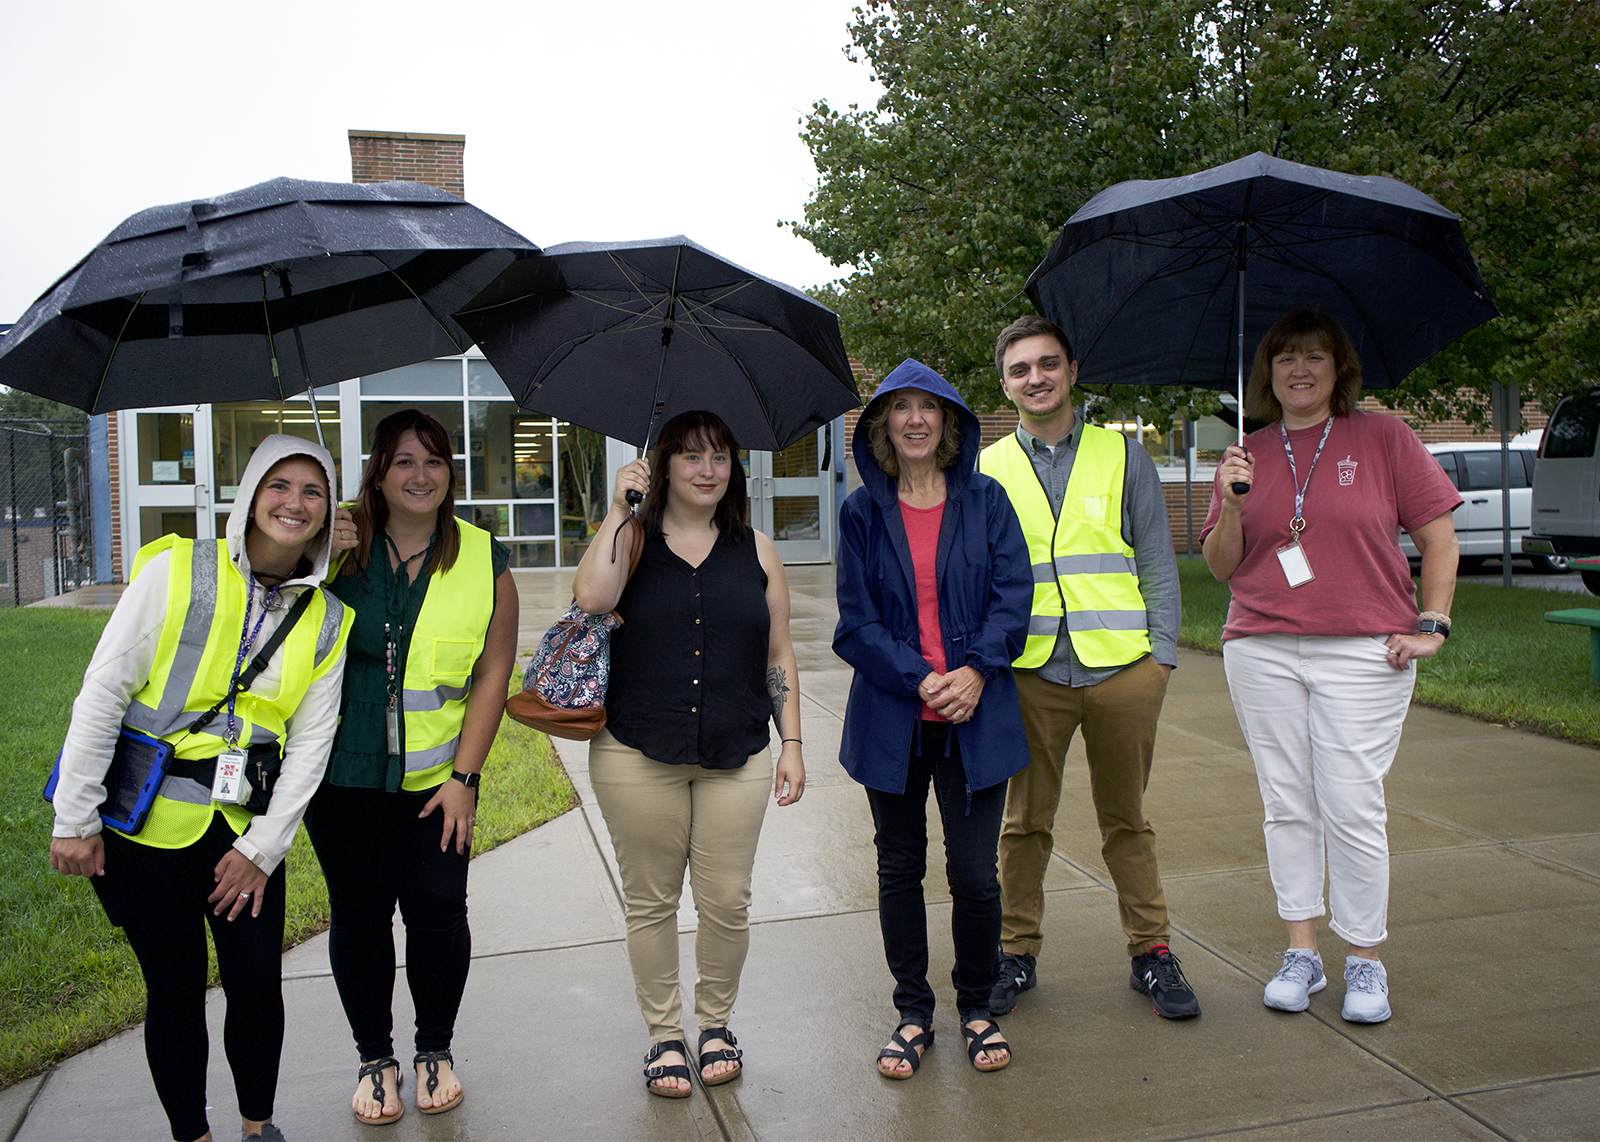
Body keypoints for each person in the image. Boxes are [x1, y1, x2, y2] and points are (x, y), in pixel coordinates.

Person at [49, 435, 351, 1142]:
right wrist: (76, 819)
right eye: (279, 485)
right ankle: (195, 1134)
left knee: (255, 984)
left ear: (327, 511)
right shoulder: (178, 571)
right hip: (148, 831)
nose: (294, 502)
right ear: (249, 496)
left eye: (312, 491)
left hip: (244, 833)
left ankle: (257, 1128)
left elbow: (310, 748)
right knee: (175, 989)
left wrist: (265, 849)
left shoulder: (330, 620)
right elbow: (103, 693)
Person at [1202, 308, 1460, 1023]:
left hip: (1363, 650)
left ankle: (1366, 960)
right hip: (1261, 646)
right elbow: (1222, 567)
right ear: (1268, 374)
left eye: (1315, 356)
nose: (1300, 369)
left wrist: (1432, 625)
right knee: (1287, 801)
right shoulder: (1246, 453)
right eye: (1285, 358)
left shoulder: (1383, 437)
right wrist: (1228, 503)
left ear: (1338, 368)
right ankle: (1302, 953)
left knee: (1351, 802)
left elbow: (1440, 540)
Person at [572, 410, 805, 1098]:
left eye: (721, 457)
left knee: (728, 901)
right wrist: (620, 506)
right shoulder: (631, 539)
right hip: (637, 752)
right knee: (651, 903)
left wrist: (792, 741)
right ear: (664, 464)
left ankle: (715, 1025)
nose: (708, 469)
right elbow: (592, 597)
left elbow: (779, 651)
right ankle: (665, 1036)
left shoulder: (757, 548)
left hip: (738, 751)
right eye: (693, 456)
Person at [980, 314, 1201, 1020]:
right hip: (1029, 673)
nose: (1035, 378)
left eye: (1048, 364)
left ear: (1072, 372)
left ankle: (1151, 953)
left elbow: (1159, 564)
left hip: (1122, 670)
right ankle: (1015, 954)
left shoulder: (1123, 456)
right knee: (1022, 825)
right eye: (1020, 369)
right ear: (1004, 383)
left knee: (1127, 821)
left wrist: (1161, 657)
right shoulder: (986, 471)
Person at [304, 409, 518, 1124]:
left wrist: (464, 779)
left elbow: (493, 673)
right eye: (403, 462)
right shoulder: (334, 550)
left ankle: (434, 1051)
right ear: (378, 472)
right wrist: (312, 553)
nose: (420, 476)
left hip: (437, 785)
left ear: (450, 473)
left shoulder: (484, 557)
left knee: (435, 914)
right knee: (360, 918)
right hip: (341, 780)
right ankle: (374, 1060)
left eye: (434, 461)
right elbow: (270, 610)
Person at [833, 361, 1033, 1078]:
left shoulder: (987, 502)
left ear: (950, 422)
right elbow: (855, 625)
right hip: (894, 718)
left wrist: (975, 671)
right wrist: (923, 678)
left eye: (930, 407)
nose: (915, 419)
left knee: (977, 875)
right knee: (899, 867)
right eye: (900, 408)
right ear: (883, 424)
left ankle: (976, 1005)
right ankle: (912, 1012)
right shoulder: (860, 512)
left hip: (977, 716)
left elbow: (1014, 599)